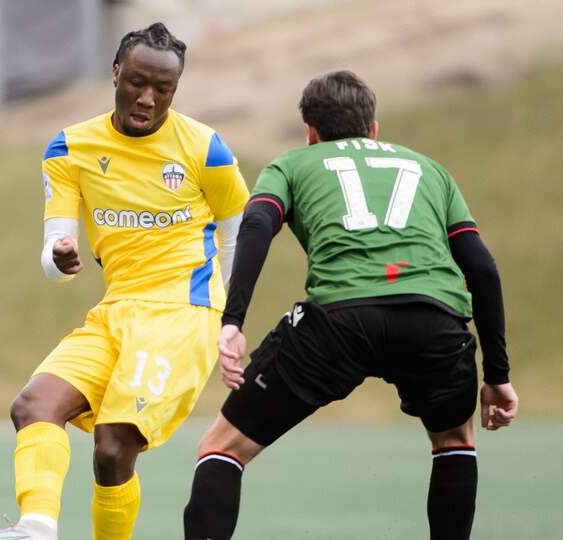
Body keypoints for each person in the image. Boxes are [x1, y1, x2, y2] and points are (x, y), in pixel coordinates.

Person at [0, 22, 249, 540]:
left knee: (113, 446)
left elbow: (237, 233)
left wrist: (228, 317)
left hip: (182, 312)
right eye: (137, 82)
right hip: (116, 310)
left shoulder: (205, 149)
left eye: (164, 88)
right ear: (115, 73)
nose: (148, 98)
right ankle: (36, 530)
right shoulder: (70, 148)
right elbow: (53, 249)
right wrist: (58, 256)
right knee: (34, 405)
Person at [182, 70, 518, 539]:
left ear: (310, 132)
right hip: (432, 320)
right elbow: (481, 268)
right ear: (373, 128)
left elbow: (256, 226)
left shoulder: (292, 163)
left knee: (222, 448)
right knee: (455, 442)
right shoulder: (430, 169)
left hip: (339, 320)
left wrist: (233, 320)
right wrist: (497, 375)